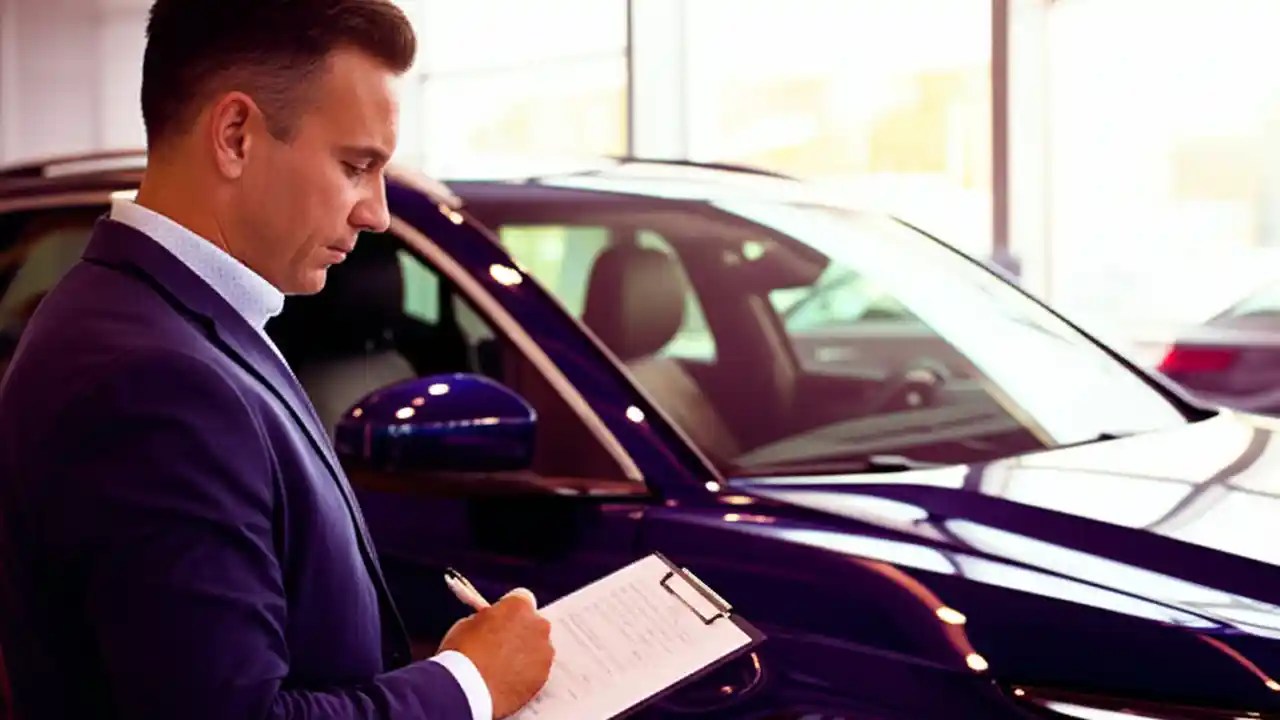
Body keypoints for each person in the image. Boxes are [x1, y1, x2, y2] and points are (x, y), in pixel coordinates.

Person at [0, 1, 554, 718]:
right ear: (234, 135)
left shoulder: (176, 319)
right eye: (357, 165)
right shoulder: (152, 379)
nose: (376, 213)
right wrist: (468, 685)